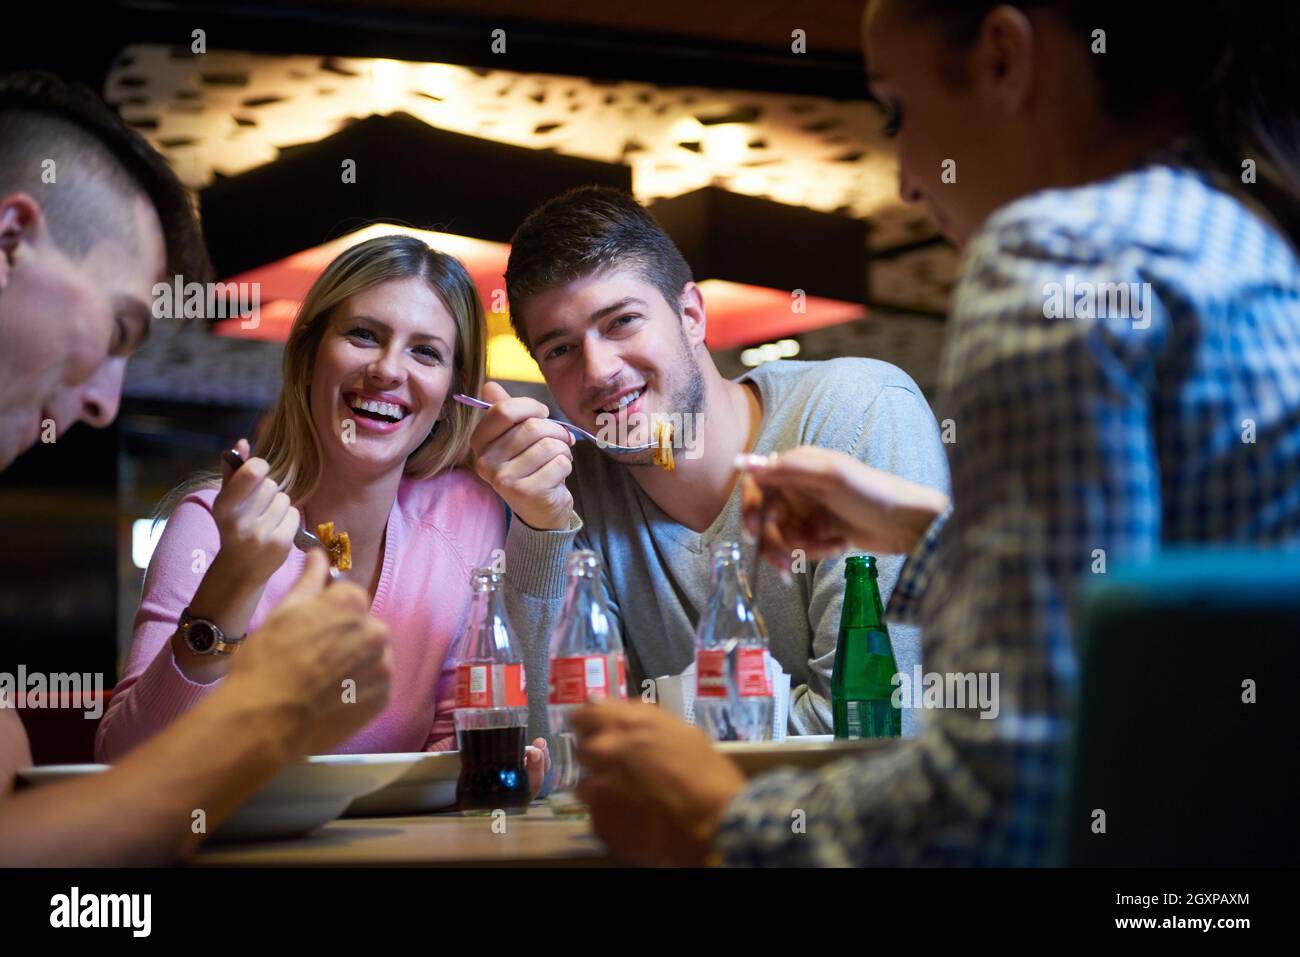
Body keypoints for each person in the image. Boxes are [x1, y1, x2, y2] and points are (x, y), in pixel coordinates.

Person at [568, 0, 1300, 866]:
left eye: (897, 112)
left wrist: (718, 819)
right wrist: (921, 531)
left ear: (1003, 59)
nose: (909, 181)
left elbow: (1002, 798)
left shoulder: (1058, 256)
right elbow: (1162, 598)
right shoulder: (1242, 235)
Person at [0, 71, 390, 865]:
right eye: (117, 328)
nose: (108, 400)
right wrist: (261, 715)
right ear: (10, 240)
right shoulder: (210, 515)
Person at [472, 186, 949, 744]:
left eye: (622, 322)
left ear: (691, 314)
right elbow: (550, 749)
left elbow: (876, 727)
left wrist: (651, 733)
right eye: (560, 349)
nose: (598, 370)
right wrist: (541, 527)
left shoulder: (858, 413)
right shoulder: (567, 492)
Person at [95, 235, 549, 794]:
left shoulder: (467, 512)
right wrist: (235, 577)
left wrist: (482, 768)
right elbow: (126, 763)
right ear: (308, 356)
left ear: (452, 394)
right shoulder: (209, 521)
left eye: (425, 351)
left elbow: (454, 730)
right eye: (364, 335)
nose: (387, 369)